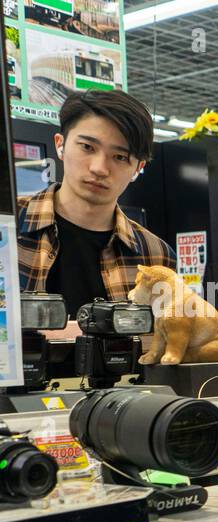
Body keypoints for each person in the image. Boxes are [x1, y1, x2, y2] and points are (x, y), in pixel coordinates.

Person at [17, 89, 176, 356]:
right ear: (60, 144)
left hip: (120, 395)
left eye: (120, 157)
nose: (99, 168)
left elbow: (163, 350)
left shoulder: (155, 256)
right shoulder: (9, 225)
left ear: (138, 168)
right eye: (87, 147)